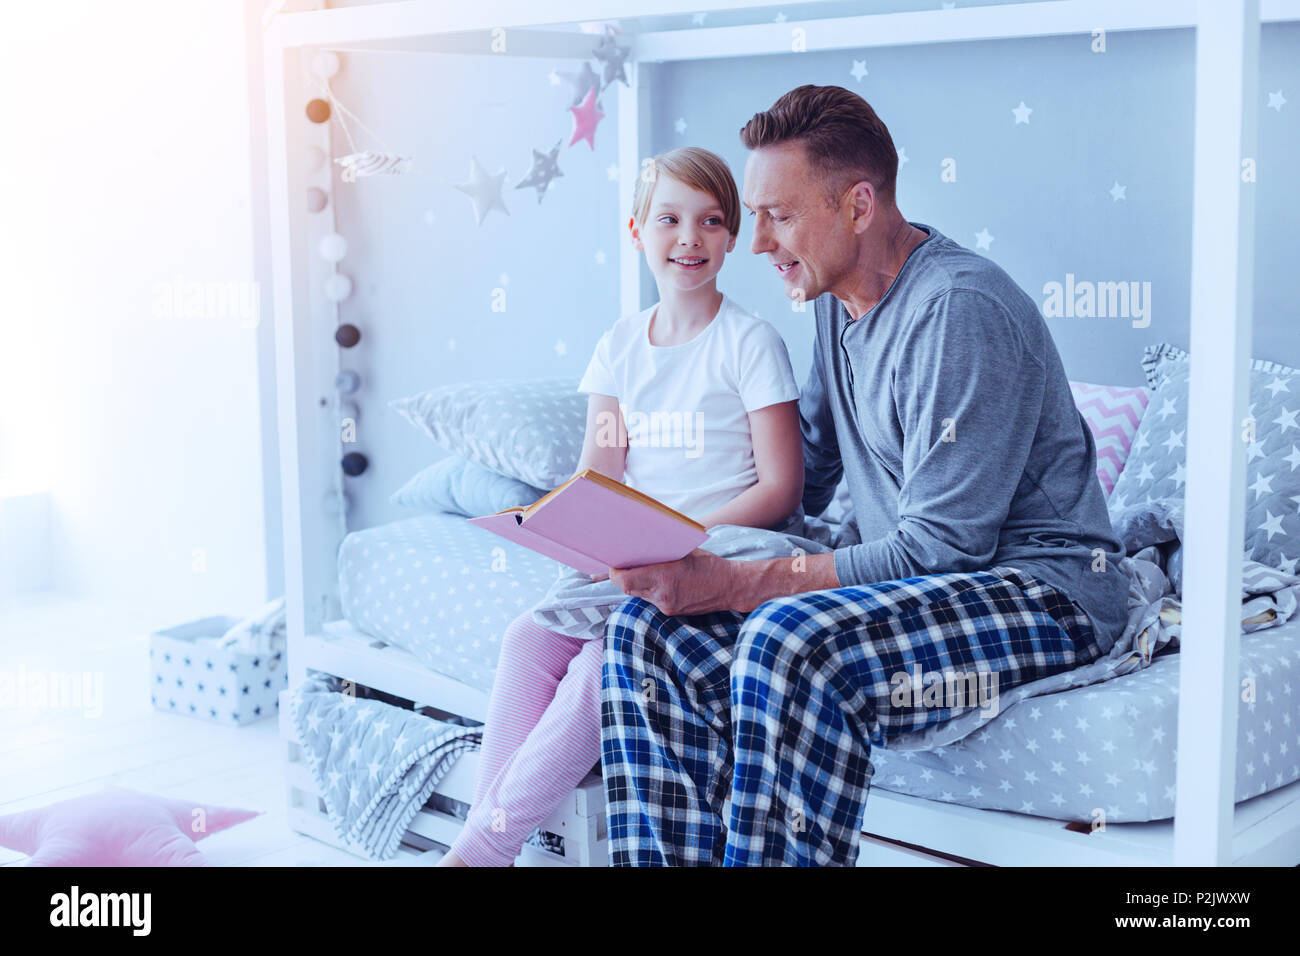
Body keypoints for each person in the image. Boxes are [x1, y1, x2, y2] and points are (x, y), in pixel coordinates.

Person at [599, 85, 1130, 866]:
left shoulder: (959, 309)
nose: (756, 244)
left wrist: (738, 584)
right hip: (921, 590)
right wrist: (678, 540)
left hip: (1038, 590)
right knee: (645, 636)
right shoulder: (831, 301)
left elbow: (942, 551)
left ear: (858, 205)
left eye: (777, 216)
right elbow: (802, 476)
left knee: (789, 640)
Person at [437, 146, 804, 866]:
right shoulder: (618, 349)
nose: (689, 238)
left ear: (731, 238)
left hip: (716, 555)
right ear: (637, 233)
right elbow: (598, 473)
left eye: (710, 221)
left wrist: (689, 537)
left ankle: (480, 848)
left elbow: (782, 489)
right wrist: (564, 524)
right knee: (525, 639)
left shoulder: (751, 344)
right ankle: (490, 845)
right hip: (631, 558)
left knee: (599, 666)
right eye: (668, 219)